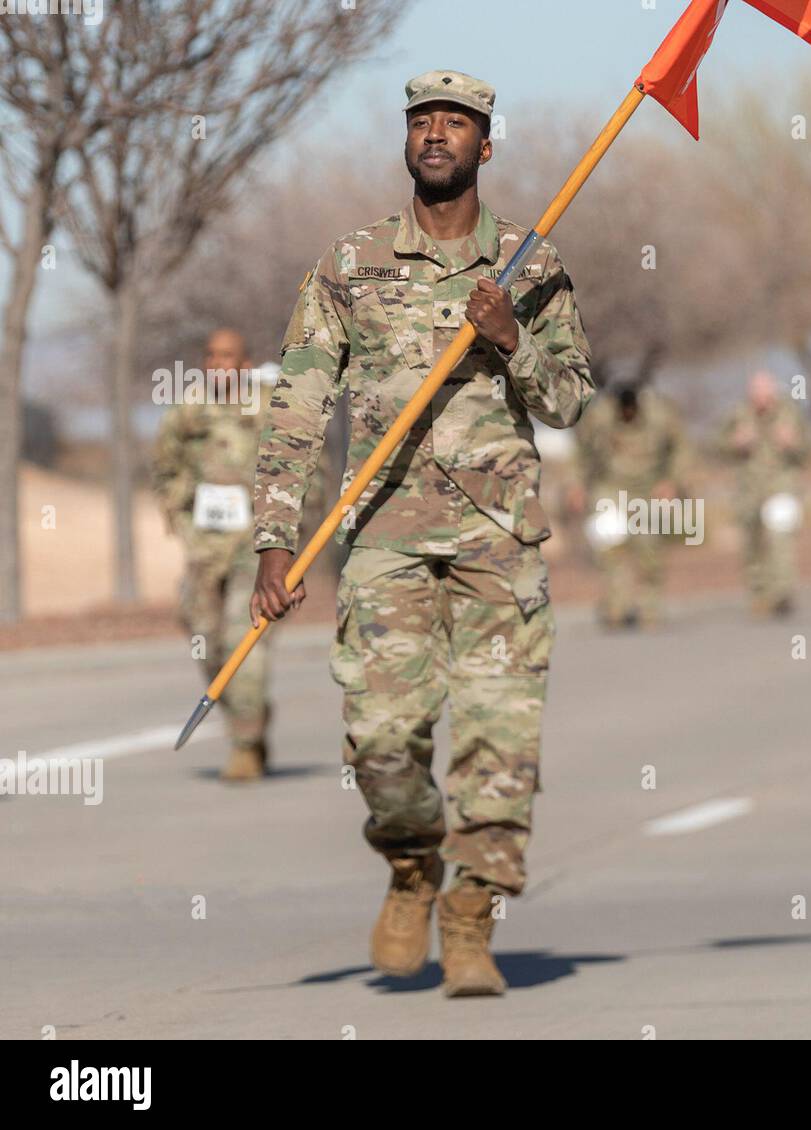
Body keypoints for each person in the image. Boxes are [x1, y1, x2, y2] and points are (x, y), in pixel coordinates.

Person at [249, 71, 595, 997]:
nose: (436, 135)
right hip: (384, 541)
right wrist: (275, 542)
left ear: (489, 144)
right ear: (407, 142)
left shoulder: (531, 265)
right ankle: (411, 865)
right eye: (422, 122)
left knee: (499, 748)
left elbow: (568, 403)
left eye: (457, 123)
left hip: (497, 544)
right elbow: (296, 409)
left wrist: (511, 340)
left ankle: (474, 915)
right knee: (384, 742)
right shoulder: (348, 266)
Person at [153, 329, 273, 782]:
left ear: (245, 364)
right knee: (206, 637)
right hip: (205, 546)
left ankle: (246, 742)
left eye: (228, 357)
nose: (218, 364)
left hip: (255, 548)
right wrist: (180, 519)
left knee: (246, 641)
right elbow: (165, 466)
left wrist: (283, 535)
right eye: (211, 356)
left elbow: (303, 469)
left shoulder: (268, 406)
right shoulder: (189, 408)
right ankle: (247, 716)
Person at [573, 382, 689, 629]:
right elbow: (581, 451)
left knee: (648, 550)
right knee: (610, 549)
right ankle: (617, 606)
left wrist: (671, 481)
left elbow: (681, 448)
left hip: (647, 488)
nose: (627, 415)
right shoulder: (600, 417)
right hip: (610, 487)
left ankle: (650, 606)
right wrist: (577, 484)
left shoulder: (660, 414)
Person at [718, 371, 808, 615]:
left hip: (781, 486)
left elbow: (807, 451)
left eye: (765, 390)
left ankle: (782, 592)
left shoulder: (790, 413)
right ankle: (759, 593)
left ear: (774, 391)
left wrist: (793, 443)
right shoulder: (738, 414)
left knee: (781, 538)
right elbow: (716, 445)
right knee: (752, 542)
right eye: (755, 391)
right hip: (748, 489)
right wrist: (734, 443)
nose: (760, 396)